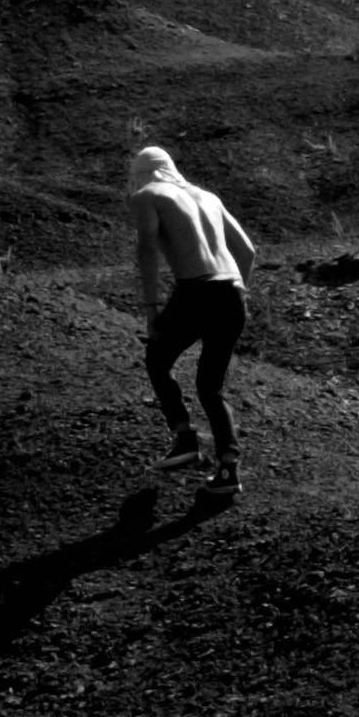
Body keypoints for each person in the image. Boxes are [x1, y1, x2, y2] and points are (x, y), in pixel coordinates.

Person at [127, 143, 254, 492]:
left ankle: (185, 440)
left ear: (141, 174)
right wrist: (239, 289)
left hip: (196, 291)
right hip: (231, 292)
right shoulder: (208, 197)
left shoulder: (147, 195)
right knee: (210, 386)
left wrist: (152, 308)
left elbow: (147, 249)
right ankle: (229, 469)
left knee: (157, 359)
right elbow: (247, 250)